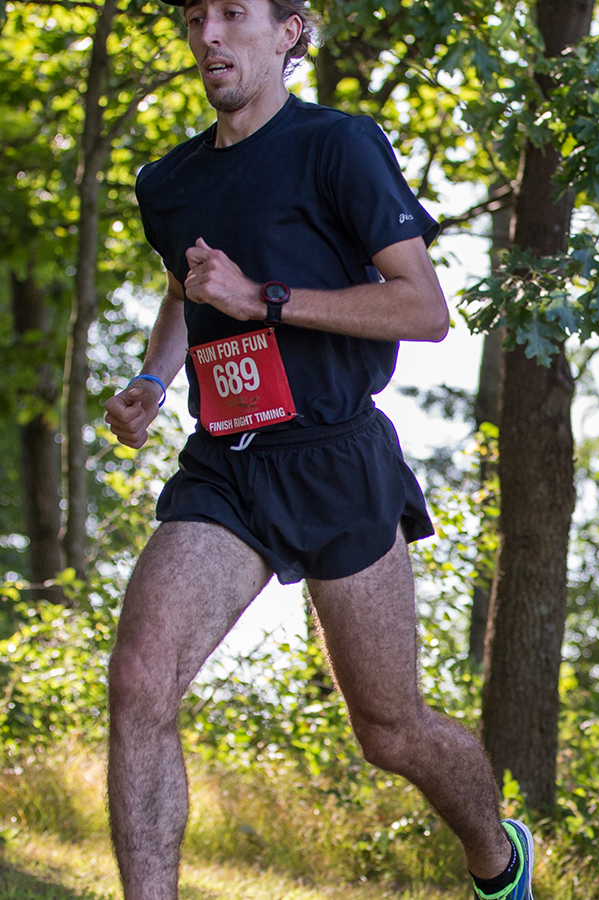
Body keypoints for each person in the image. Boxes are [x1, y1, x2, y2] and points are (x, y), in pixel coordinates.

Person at [100, 1, 531, 898]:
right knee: (141, 681)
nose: (210, 35)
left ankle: (498, 856)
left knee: (390, 731)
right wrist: (154, 379)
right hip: (225, 466)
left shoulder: (337, 146)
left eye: (234, 14)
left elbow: (424, 309)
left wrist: (266, 298)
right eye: (195, 18)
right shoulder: (167, 180)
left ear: (291, 30)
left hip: (336, 457)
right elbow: (188, 289)